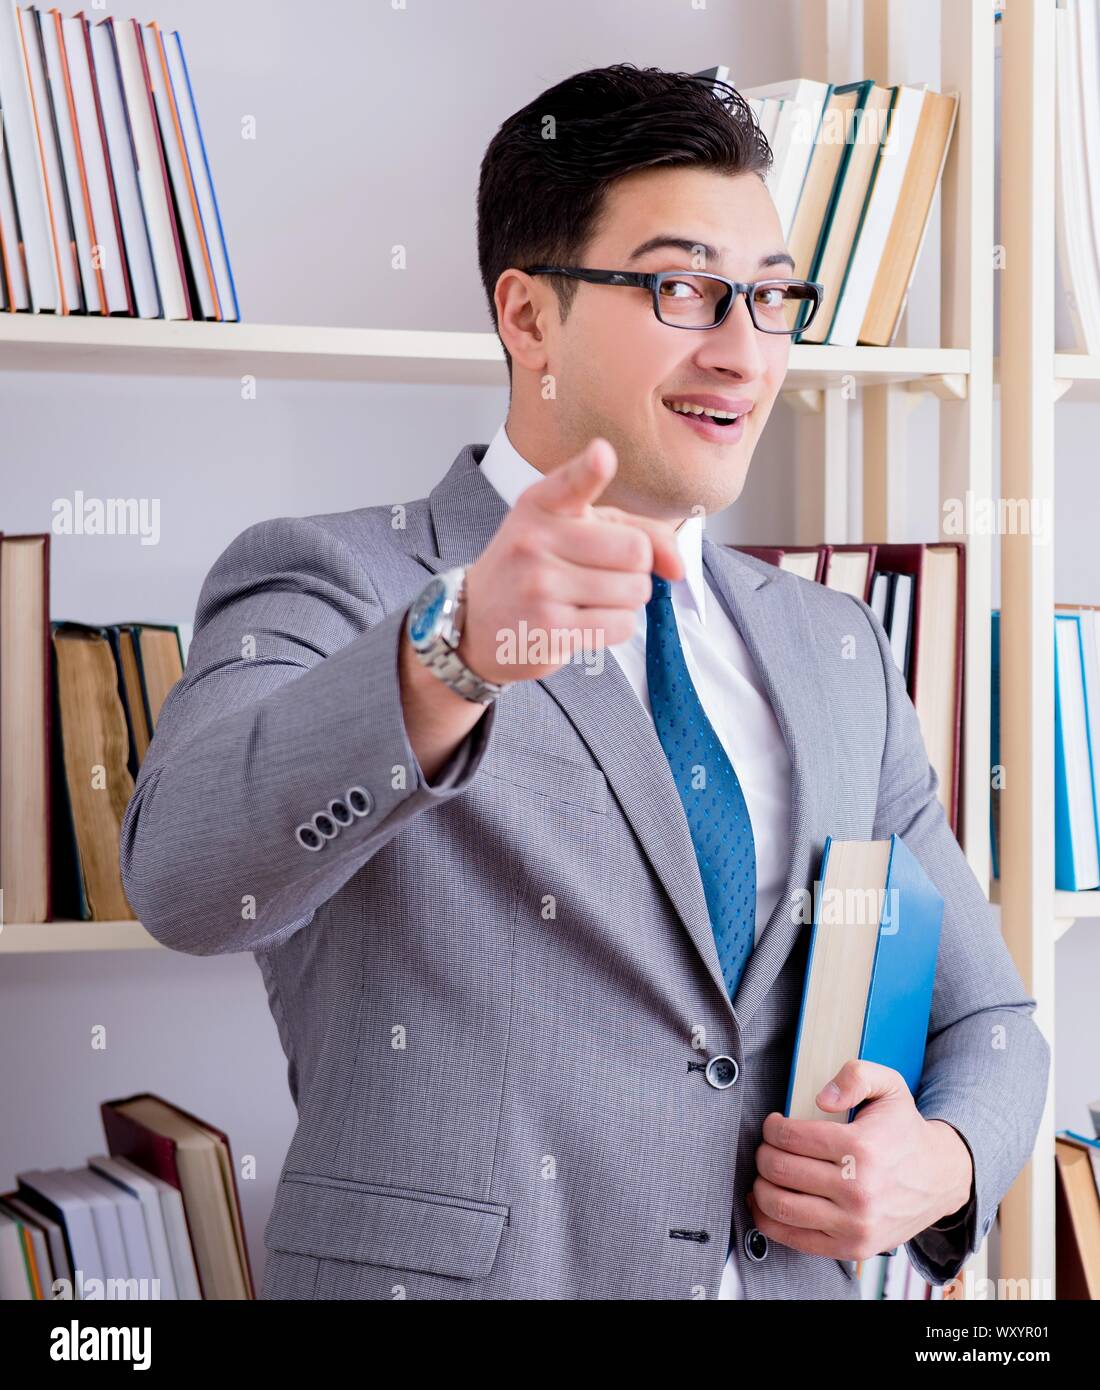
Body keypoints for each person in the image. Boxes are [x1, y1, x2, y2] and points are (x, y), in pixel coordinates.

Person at [120, 64, 1049, 1300]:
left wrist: (938, 1160)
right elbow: (183, 878)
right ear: (527, 317)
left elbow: (988, 1022)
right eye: (681, 288)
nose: (742, 351)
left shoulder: (836, 646)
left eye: (771, 298)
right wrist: (452, 653)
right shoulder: (339, 578)